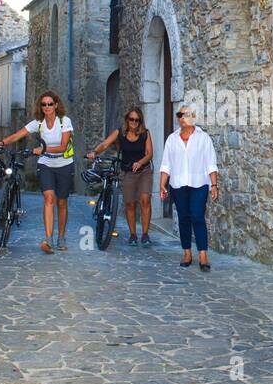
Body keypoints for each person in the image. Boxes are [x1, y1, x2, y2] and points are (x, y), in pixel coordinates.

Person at [0, 90, 73, 253]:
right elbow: (17, 135)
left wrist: (42, 149)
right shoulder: (38, 123)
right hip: (46, 164)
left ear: (56, 105)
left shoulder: (64, 122)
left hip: (64, 164)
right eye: (43, 104)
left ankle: (61, 236)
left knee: (62, 202)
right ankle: (48, 239)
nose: (47, 107)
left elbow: (63, 146)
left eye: (50, 104)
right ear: (40, 107)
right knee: (49, 198)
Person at [158, 103, 219, 272]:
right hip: (178, 185)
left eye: (186, 114)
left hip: (199, 183)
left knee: (197, 216)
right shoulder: (172, 139)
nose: (182, 118)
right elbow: (166, 165)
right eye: (180, 115)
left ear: (193, 118)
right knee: (184, 218)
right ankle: (186, 253)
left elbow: (210, 163)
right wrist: (162, 184)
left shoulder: (203, 138)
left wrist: (214, 185)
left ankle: (202, 256)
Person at [87, 106, 154, 246]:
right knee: (130, 204)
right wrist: (95, 152)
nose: (134, 122)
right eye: (132, 119)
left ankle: (145, 235)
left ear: (140, 121)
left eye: (137, 120)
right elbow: (105, 144)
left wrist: (140, 162)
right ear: (127, 120)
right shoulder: (120, 133)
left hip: (144, 171)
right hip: (127, 171)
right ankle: (133, 235)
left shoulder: (145, 134)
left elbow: (149, 153)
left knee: (145, 199)